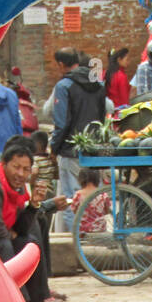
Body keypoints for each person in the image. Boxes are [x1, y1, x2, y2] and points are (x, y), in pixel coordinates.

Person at [0, 134, 70, 302]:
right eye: (16, 167)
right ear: (5, 163)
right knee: (5, 244)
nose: (20, 173)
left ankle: (39, 301)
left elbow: (20, 227)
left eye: (26, 169)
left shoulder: (17, 186)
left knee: (29, 241)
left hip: (2, 233)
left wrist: (34, 204)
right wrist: (12, 232)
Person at [48, 47, 106, 198]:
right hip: (94, 149)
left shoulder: (64, 86)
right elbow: (102, 118)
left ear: (61, 64)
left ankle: (76, 223)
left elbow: (62, 123)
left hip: (70, 150)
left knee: (72, 201)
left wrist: (54, 148)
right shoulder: (98, 84)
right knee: (94, 198)